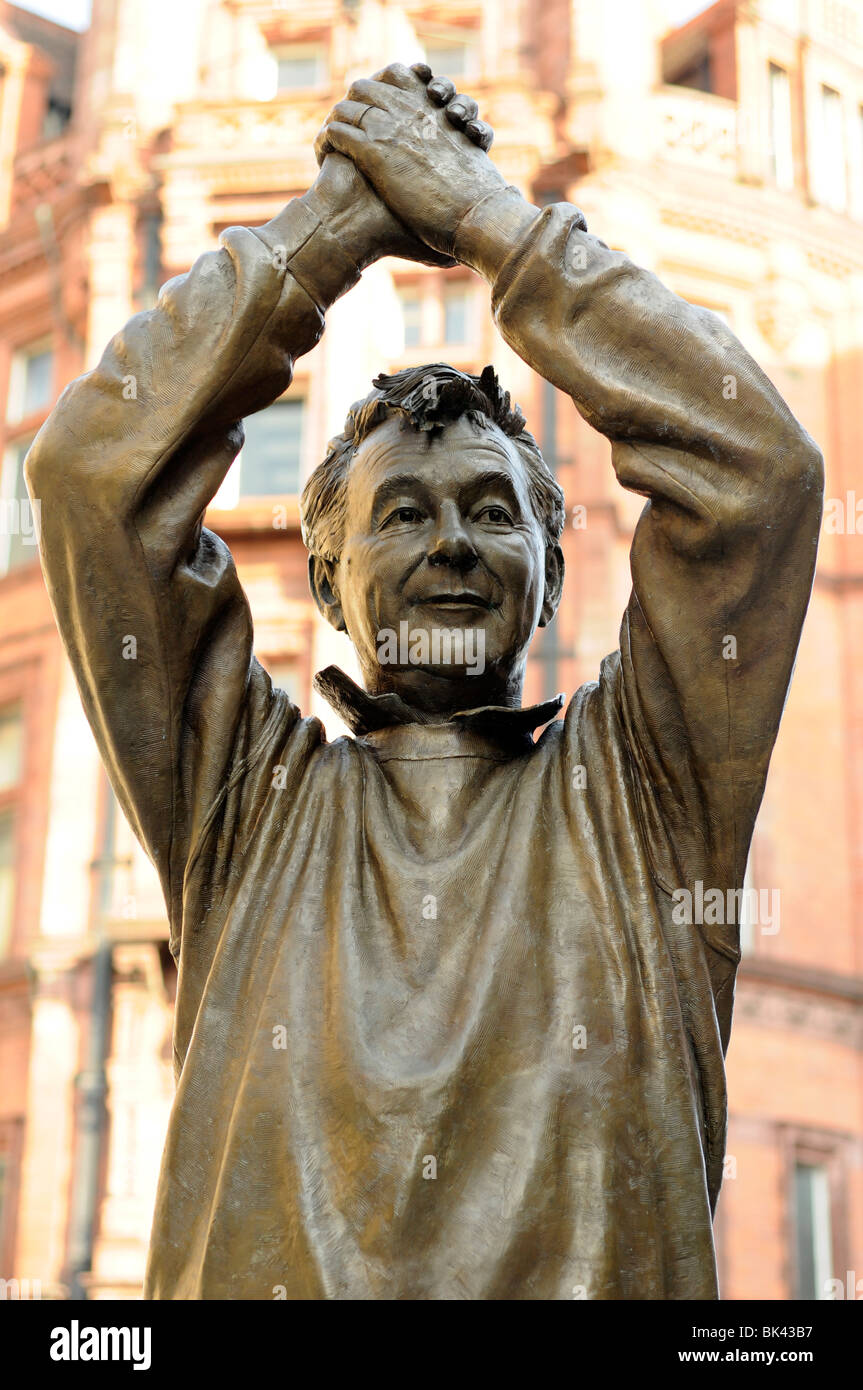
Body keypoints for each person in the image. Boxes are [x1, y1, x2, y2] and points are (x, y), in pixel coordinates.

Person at [26, 64, 823, 1300]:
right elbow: (91, 475)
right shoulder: (240, 807)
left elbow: (758, 473)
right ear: (330, 579)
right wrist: (332, 226)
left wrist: (480, 215)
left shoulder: (645, 799)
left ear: (551, 573)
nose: (450, 543)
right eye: (400, 512)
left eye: (491, 511)